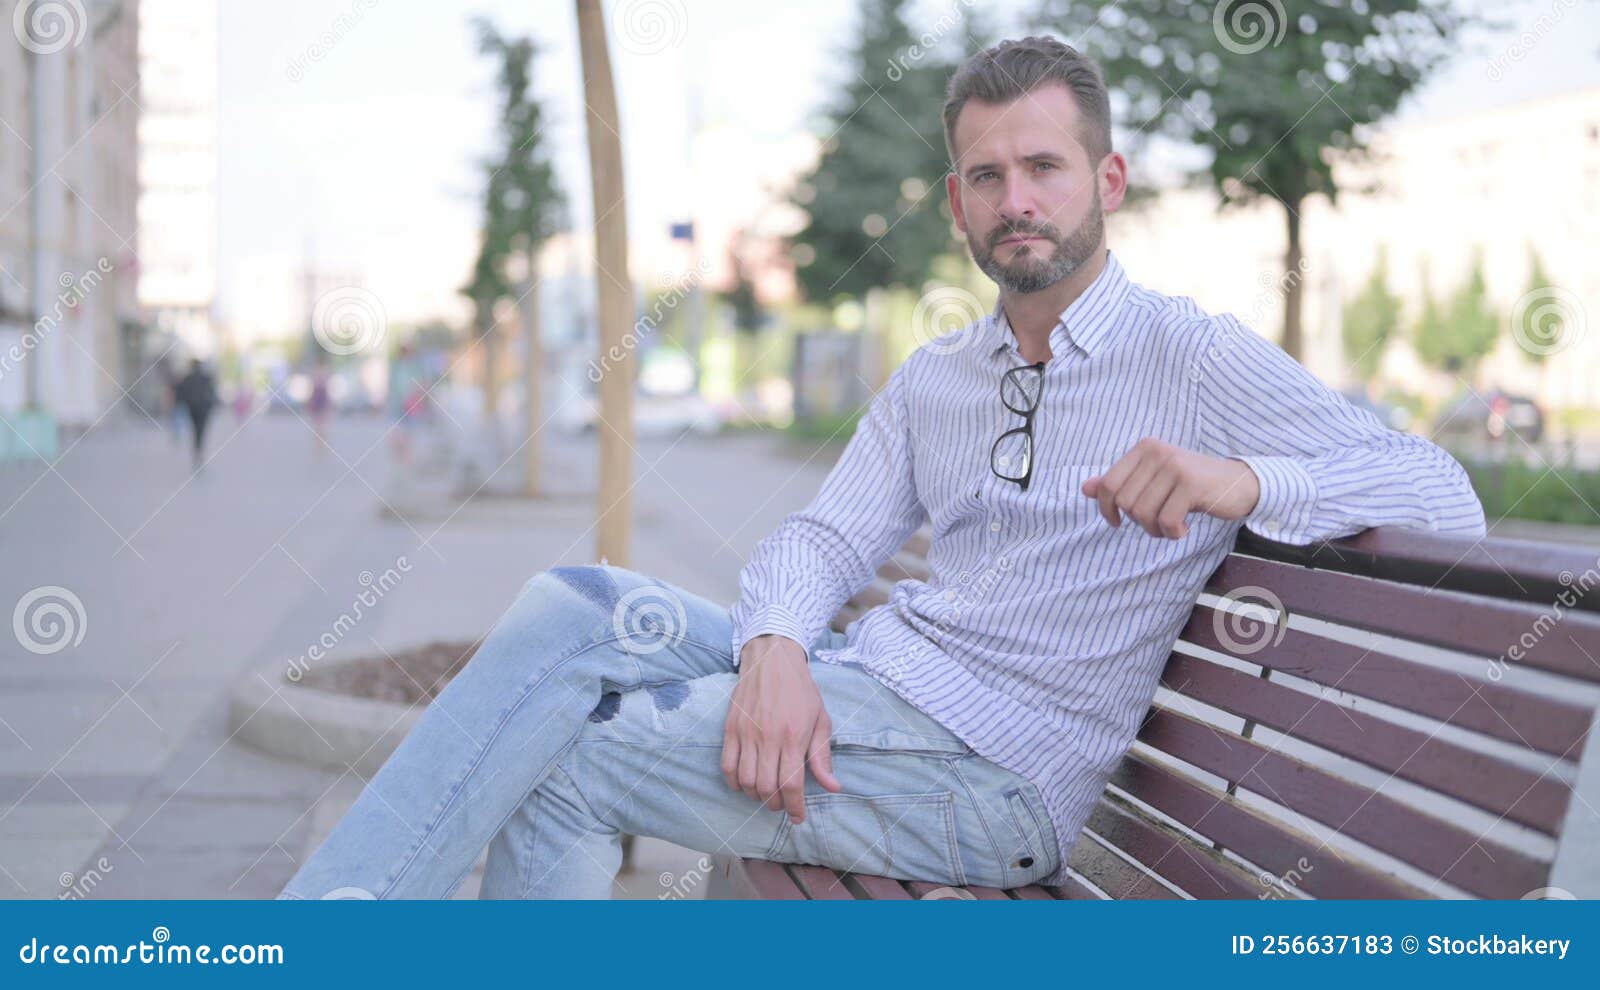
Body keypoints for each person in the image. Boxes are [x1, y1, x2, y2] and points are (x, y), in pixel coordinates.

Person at [280, 37, 1486, 900]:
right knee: (573, 605)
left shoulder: (1192, 356)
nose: (1016, 201)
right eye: (987, 177)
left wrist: (1244, 482)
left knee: (575, 758)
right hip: (873, 687)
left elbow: (1445, 494)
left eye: (1044, 168)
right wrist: (774, 646)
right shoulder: (938, 376)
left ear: (1106, 182)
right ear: (958, 204)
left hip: (994, 781)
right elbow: (823, 540)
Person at [173, 358, 218, 472]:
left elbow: (180, 393)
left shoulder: (187, 378)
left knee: (195, 430)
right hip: (203, 409)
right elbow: (212, 393)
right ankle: (199, 449)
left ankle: (197, 449)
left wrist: (180, 404)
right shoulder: (206, 378)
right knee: (200, 430)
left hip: (192, 408)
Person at [308, 359, 333, 457]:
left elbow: (327, 393)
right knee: (319, 427)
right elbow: (313, 392)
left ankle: (321, 446)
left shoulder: (323, 376)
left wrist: (328, 405)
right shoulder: (317, 376)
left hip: (321, 402)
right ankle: (319, 446)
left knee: (321, 426)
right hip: (317, 402)